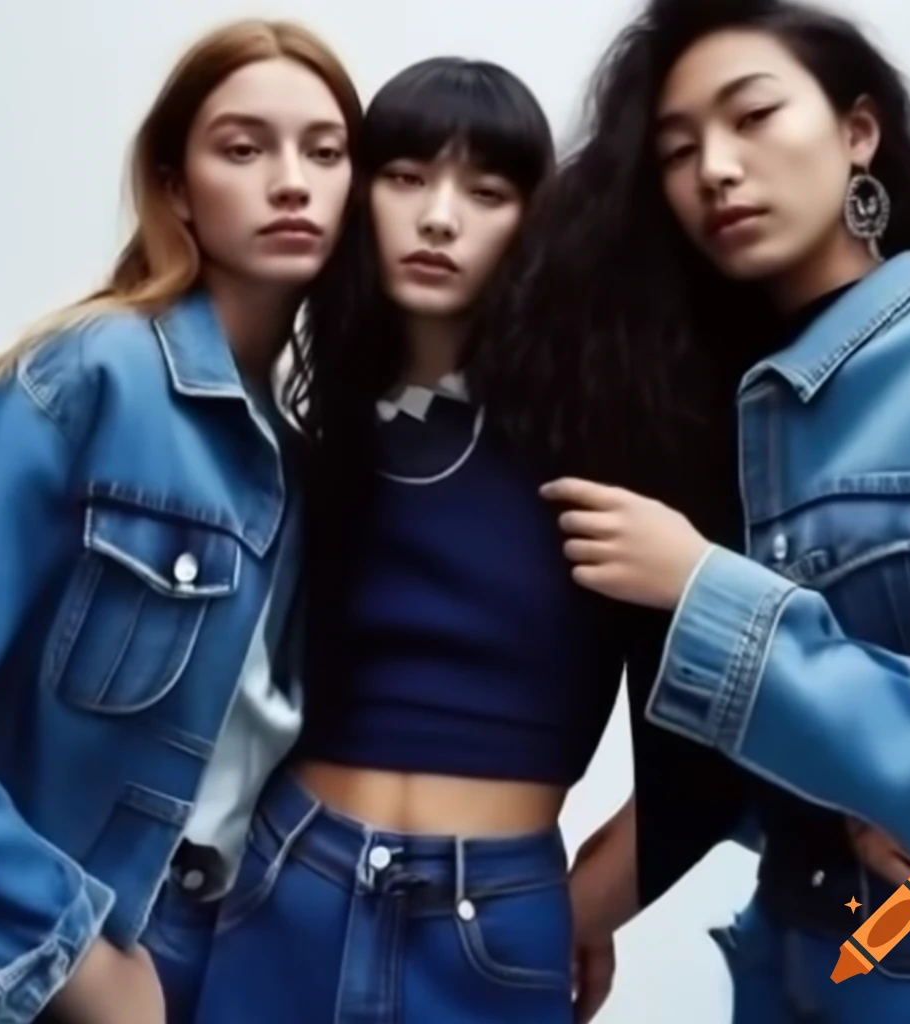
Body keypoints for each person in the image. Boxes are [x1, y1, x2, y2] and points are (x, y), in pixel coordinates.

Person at [491, 0, 910, 1019]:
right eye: (678, 149)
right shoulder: (735, 407)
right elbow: (742, 768)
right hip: (789, 960)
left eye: (752, 116)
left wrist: (702, 588)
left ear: (857, 133)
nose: (715, 166)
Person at [191, 55, 633, 1024]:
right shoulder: (301, 440)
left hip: (490, 918)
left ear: (532, 224)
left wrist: (572, 905)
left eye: (486, 192)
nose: (439, 218)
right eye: (404, 178)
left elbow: (715, 740)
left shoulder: (601, 447)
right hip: (285, 884)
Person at [0, 18, 359, 1024]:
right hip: (51, 965)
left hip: (234, 959)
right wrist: (75, 956)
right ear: (177, 186)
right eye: (243, 147)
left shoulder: (310, 462)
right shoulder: (83, 377)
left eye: (325, 151)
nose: (290, 180)